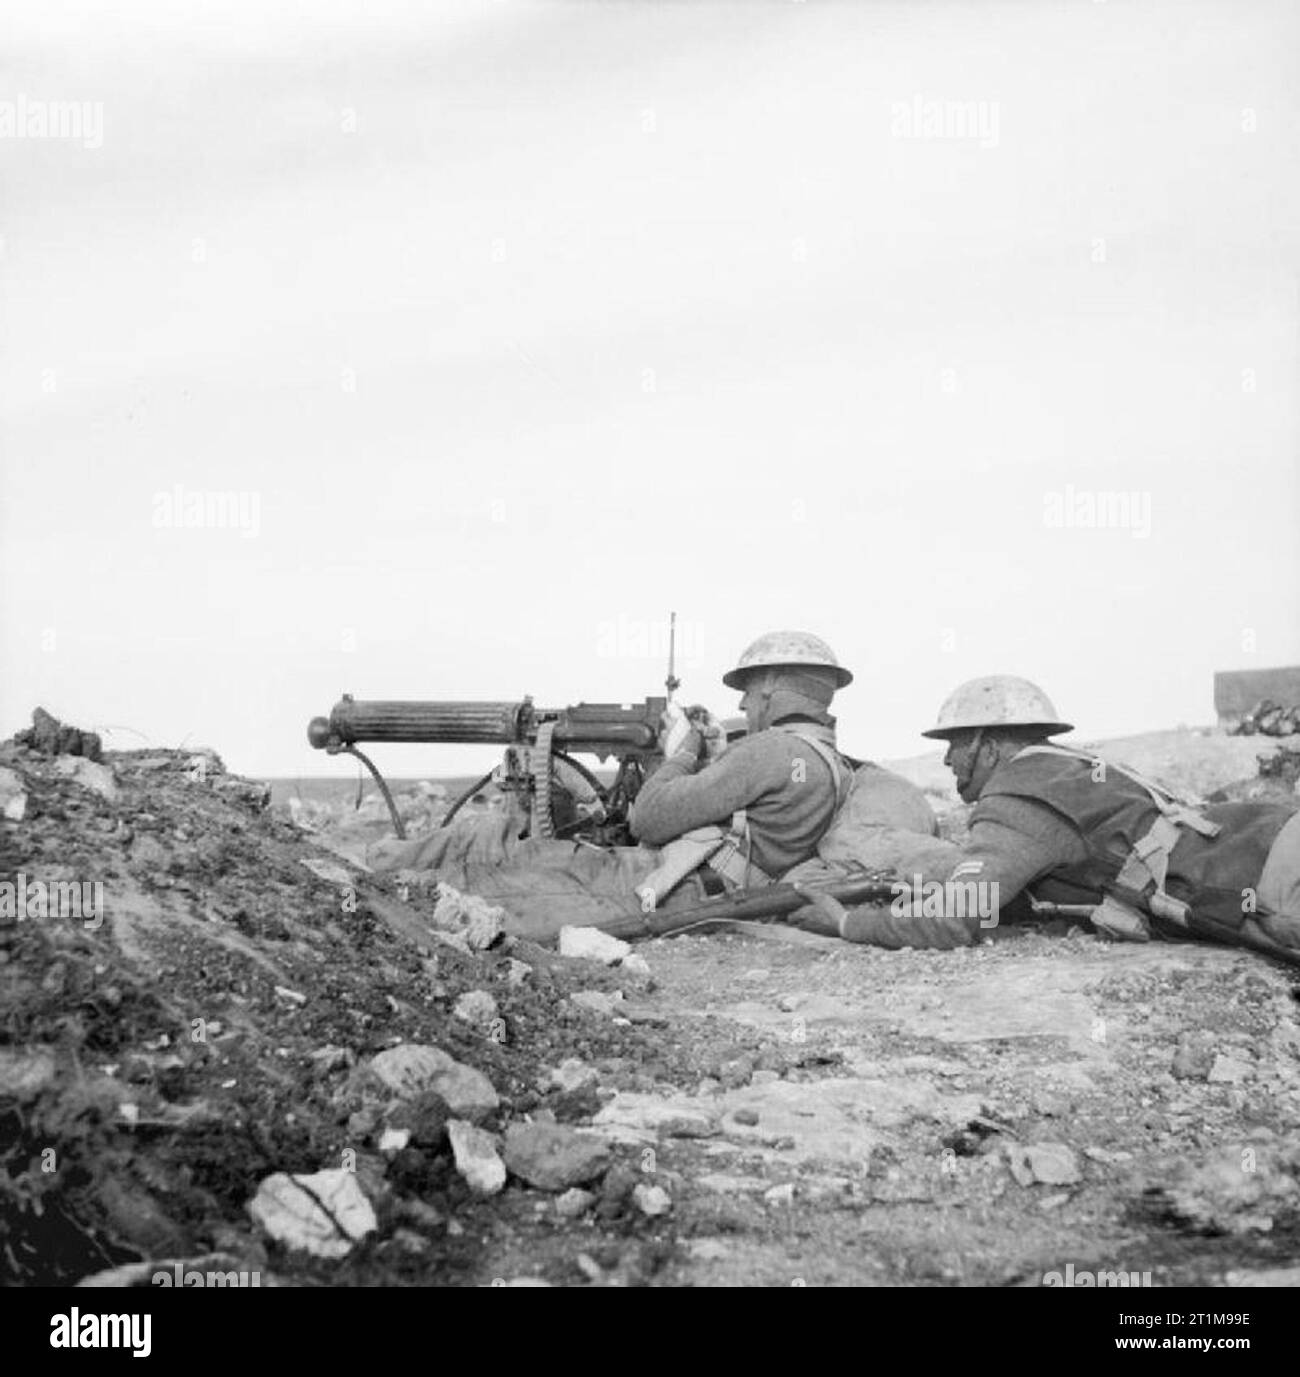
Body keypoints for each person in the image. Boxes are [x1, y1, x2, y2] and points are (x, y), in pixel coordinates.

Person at [370, 631, 880, 938]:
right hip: (694, 886)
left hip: (664, 886)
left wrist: (679, 753)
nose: (744, 706)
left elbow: (649, 820)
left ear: (770, 684)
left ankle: (363, 874)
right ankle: (378, 870)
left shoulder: (771, 750)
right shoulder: (825, 761)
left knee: (497, 848)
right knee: (509, 853)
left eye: (748, 692)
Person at [810, 675, 1300, 954]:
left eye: (955, 745)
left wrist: (850, 924)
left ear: (988, 744)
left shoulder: (1016, 800)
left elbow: (957, 920)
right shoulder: (1075, 767)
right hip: (1273, 835)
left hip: (1271, 882)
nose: (947, 760)